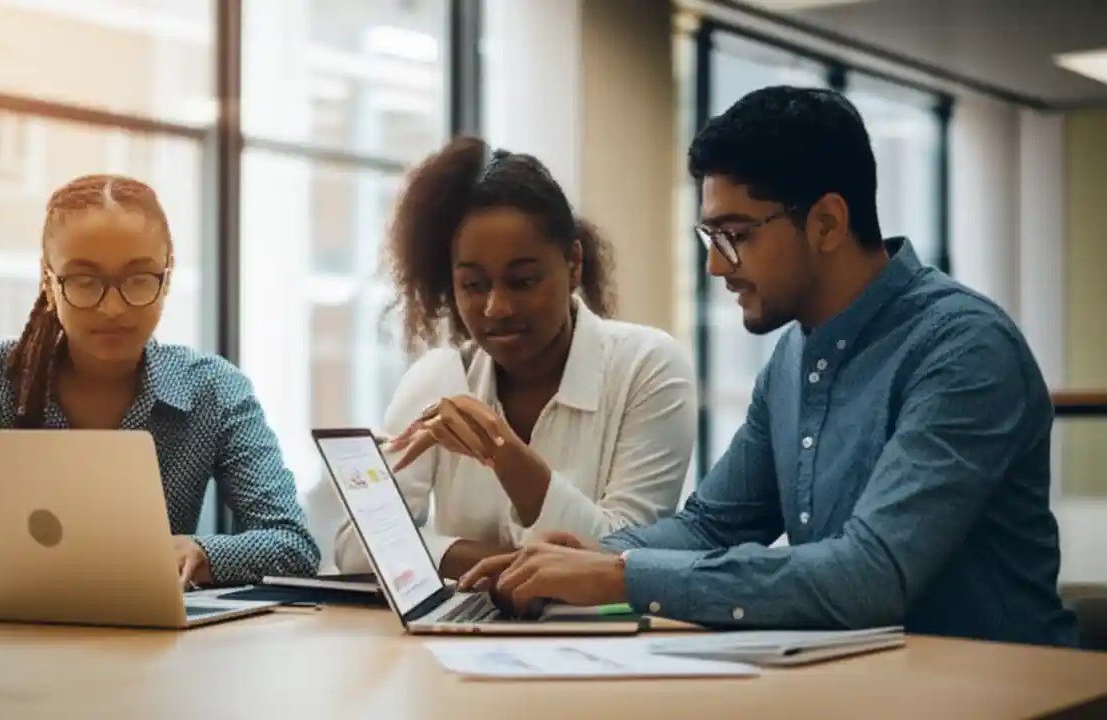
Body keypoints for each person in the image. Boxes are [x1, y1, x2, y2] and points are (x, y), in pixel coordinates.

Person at [459, 86, 1080, 647]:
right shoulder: (793, 358)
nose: (716, 266)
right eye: (711, 238)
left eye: (735, 235)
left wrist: (620, 574)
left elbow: (870, 576)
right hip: (865, 685)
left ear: (827, 223)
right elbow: (710, 526)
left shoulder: (963, 349)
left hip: (1005, 694)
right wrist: (580, 556)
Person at [0, 174, 319, 586]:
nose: (113, 307)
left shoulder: (214, 391)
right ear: (48, 280)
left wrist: (202, 553)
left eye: (139, 279)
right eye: (84, 280)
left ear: (167, 278)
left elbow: (293, 544)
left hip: (151, 656)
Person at [333, 137, 696, 579]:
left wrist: (500, 451)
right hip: (466, 626)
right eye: (474, 285)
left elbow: (619, 557)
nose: (497, 308)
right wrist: (500, 562)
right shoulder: (440, 377)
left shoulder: (649, 368)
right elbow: (356, 544)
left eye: (523, 281)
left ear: (574, 265)